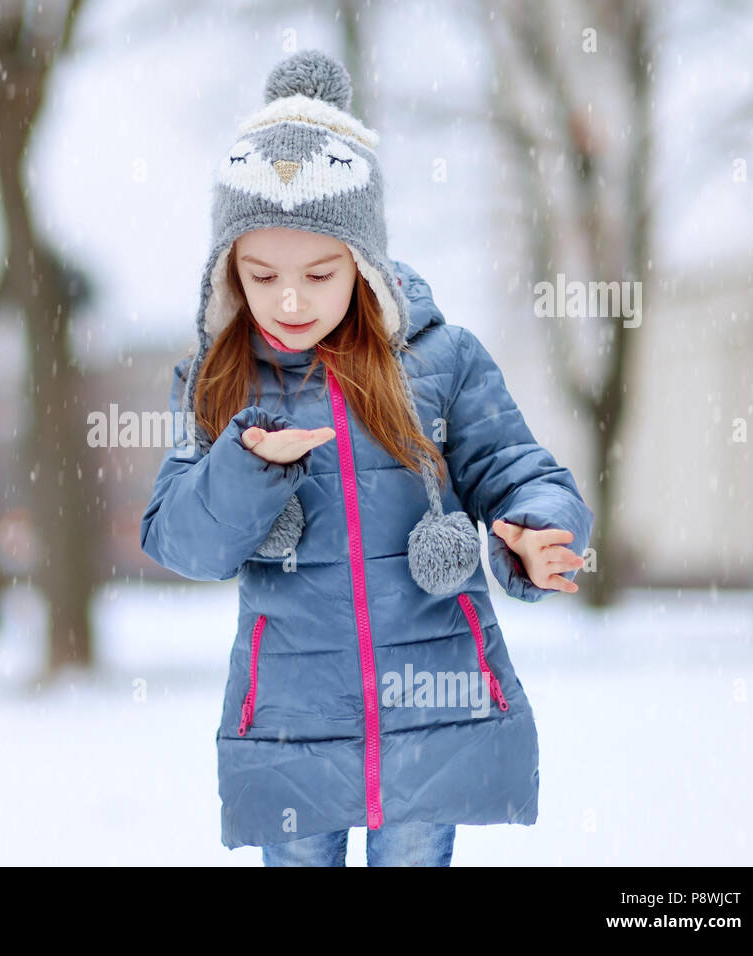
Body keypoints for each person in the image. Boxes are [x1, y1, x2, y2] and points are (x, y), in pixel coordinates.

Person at [138, 50, 594, 866]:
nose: (287, 299)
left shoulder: (441, 362)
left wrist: (532, 526)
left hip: (428, 712)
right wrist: (247, 466)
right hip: (290, 725)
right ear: (229, 268)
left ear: (363, 262)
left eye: (319, 272)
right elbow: (180, 540)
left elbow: (520, 468)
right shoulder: (217, 382)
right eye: (260, 272)